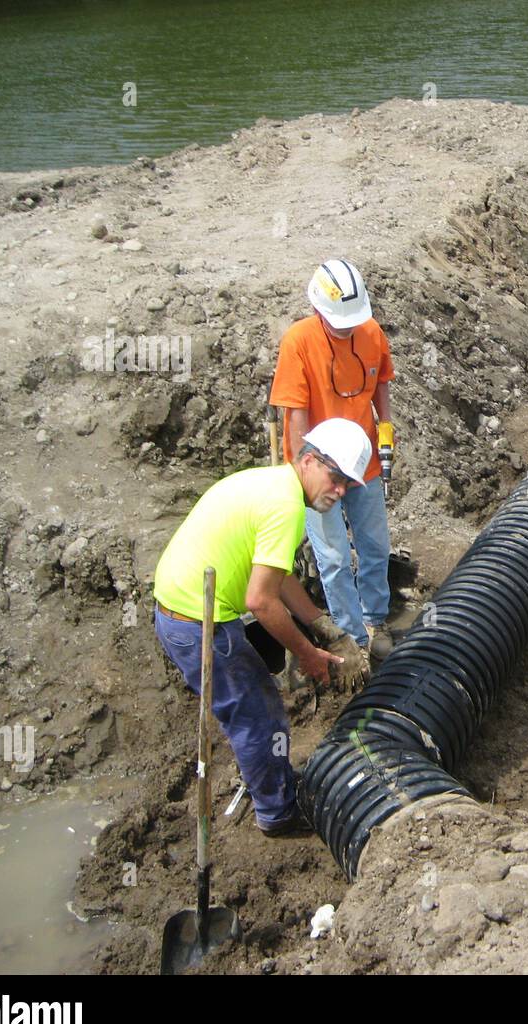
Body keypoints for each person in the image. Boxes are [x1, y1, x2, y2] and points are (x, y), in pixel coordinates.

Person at [153, 419, 371, 837]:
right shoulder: (286, 507)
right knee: (260, 716)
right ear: (309, 460)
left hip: (185, 606)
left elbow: (280, 576)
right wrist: (309, 655)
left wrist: (321, 626)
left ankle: (266, 780)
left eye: (348, 483)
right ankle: (279, 813)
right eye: (336, 476)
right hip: (197, 620)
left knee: (254, 707)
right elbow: (261, 600)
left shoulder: (274, 486)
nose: (340, 490)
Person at [271, 259, 396, 662]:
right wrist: (304, 474)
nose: (346, 328)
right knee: (336, 558)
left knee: (375, 545)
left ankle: (375, 618)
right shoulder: (298, 342)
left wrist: (386, 429)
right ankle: (352, 636)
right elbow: (295, 413)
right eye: (338, 322)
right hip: (319, 470)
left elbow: (379, 383)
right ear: (317, 310)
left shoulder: (371, 332)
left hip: (364, 464)